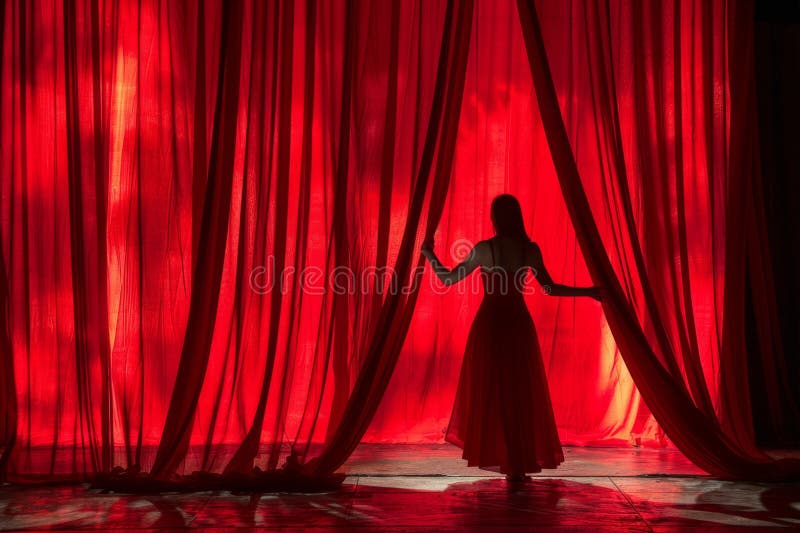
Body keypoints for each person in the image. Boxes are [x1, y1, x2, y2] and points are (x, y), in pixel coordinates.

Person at [421, 194, 601, 482]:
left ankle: (508, 462)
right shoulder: (529, 250)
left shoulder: (485, 249)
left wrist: (429, 254)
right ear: (518, 217)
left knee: (495, 392)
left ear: (495, 218)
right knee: (519, 393)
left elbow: (447, 279)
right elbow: (550, 288)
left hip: (490, 325)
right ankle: (516, 463)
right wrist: (589, 292)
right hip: (518, 325)